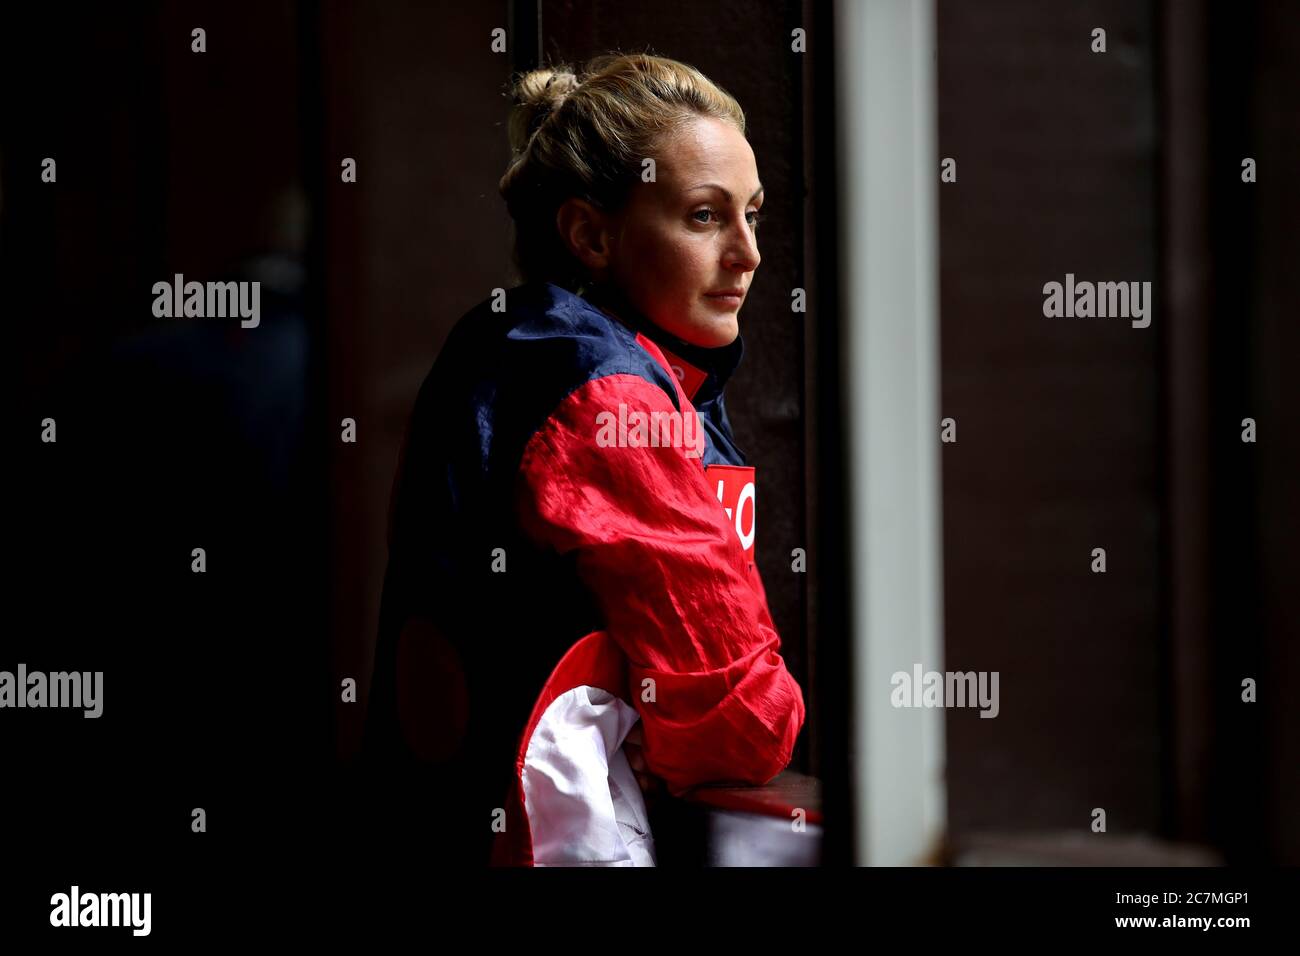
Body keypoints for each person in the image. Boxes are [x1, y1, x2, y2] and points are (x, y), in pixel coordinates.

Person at [361, 52, 805, 867]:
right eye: (706, 217)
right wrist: (674, 722)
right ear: (591, 235)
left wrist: (655, 714)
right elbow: (743, 717)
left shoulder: (515, 343)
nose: (749, 253)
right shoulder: (609, 398)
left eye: (755, 214)